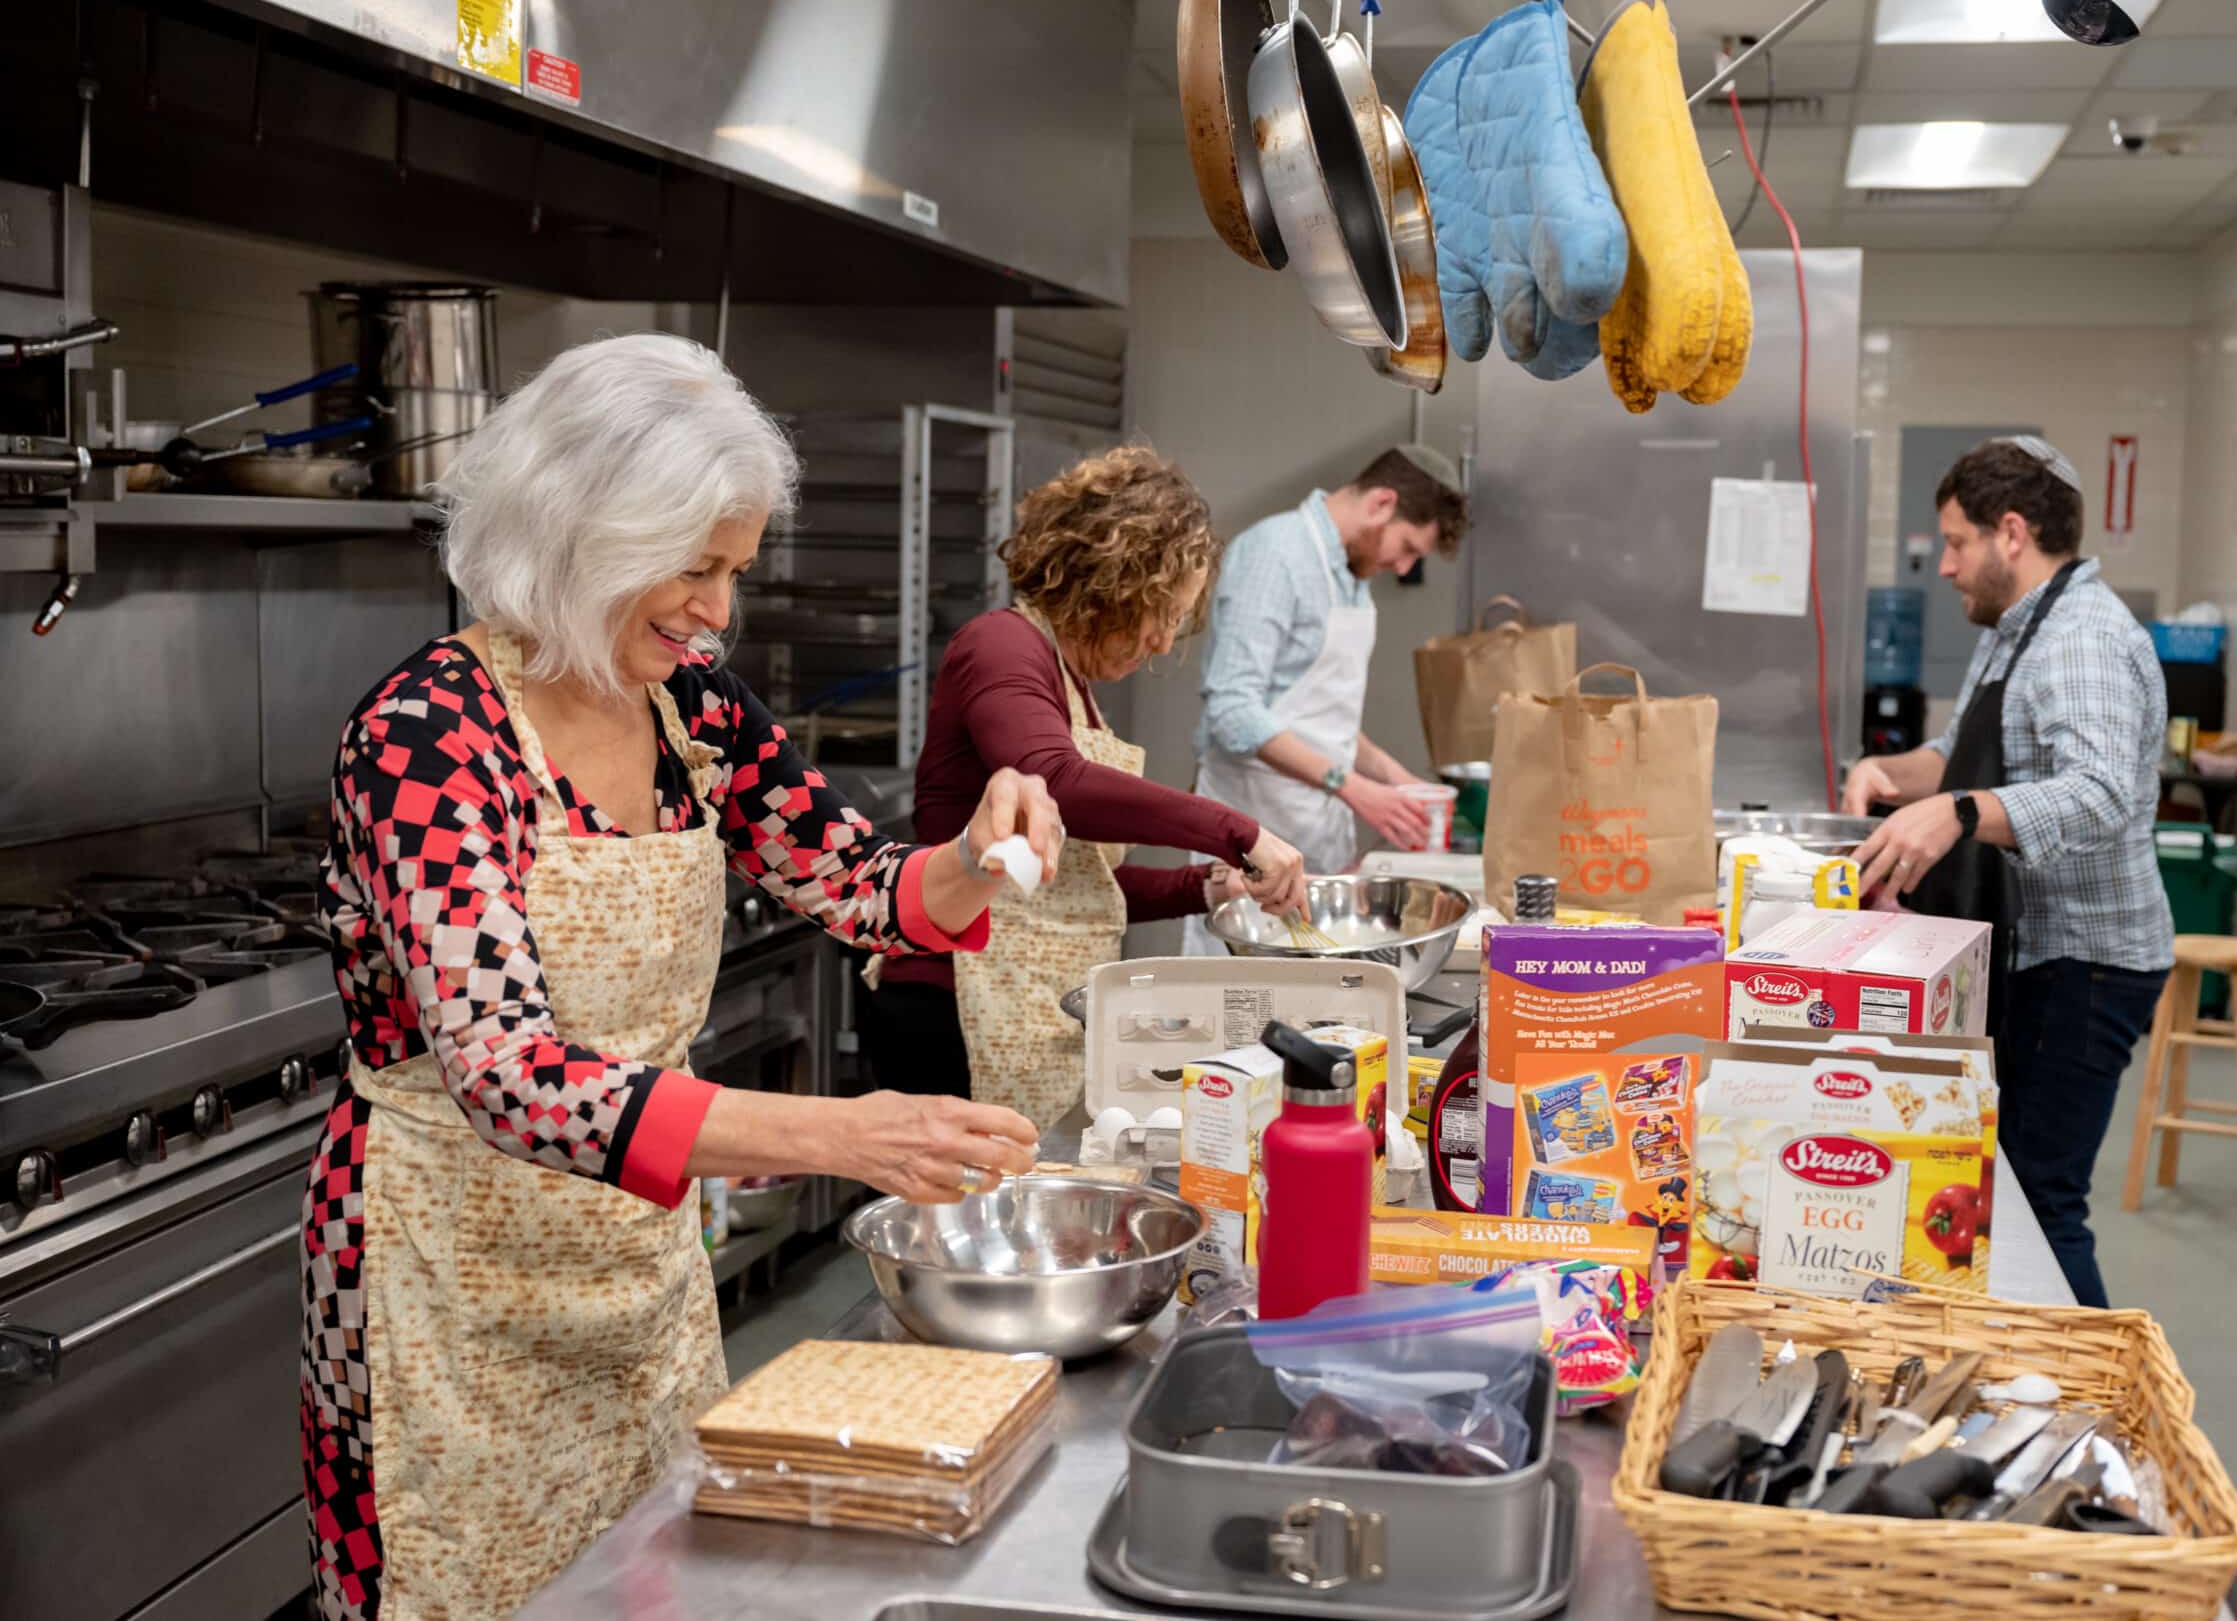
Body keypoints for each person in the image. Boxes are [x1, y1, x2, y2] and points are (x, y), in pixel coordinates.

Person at [300, 335, 1064, 1621]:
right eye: (695, 567)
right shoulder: (428, 737)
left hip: (633, 1256)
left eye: (733, 571)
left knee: (647, 1585)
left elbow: (858, 881)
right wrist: (846, 1133)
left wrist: (982, 854)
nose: (719, 610)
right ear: (580, 530)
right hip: (440, 1276)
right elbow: (510, 1075)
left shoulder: (689, 706)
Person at [869, 446, 1307, 1121]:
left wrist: (1207, 886)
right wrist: (1239, 831)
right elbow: (1057, 781)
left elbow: (1068, 892)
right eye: (1160, 613)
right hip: (949, 1006)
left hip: (1020, 998)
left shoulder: (1073, 685)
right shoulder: (1000, 646)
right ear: (1110, 579)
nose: (1163, 644)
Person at [1843, 436, 2173, 1309]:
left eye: (1957, 542)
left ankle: (2094, 1407)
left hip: (2087, 962)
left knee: (2039, 1200)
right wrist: (1891, 777)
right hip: (2036, 951)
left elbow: (2099, 795)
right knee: (2009, 1192)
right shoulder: (2015, 630)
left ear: (2012, 533)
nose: (1944, 565)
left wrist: (1954, 813)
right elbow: (1959, 755)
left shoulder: (2081, 638)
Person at [1181, 446, 1468, 955]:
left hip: (1318, 835)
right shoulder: (1276, 555)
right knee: (1245, 1006)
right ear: (1382, 503)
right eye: (1407, 547)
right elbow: (1233, 709)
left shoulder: (1352, 578)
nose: (1403, 566)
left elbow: (1317, 715)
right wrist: (1353, 789)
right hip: (1252, 827)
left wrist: (1394, 779)